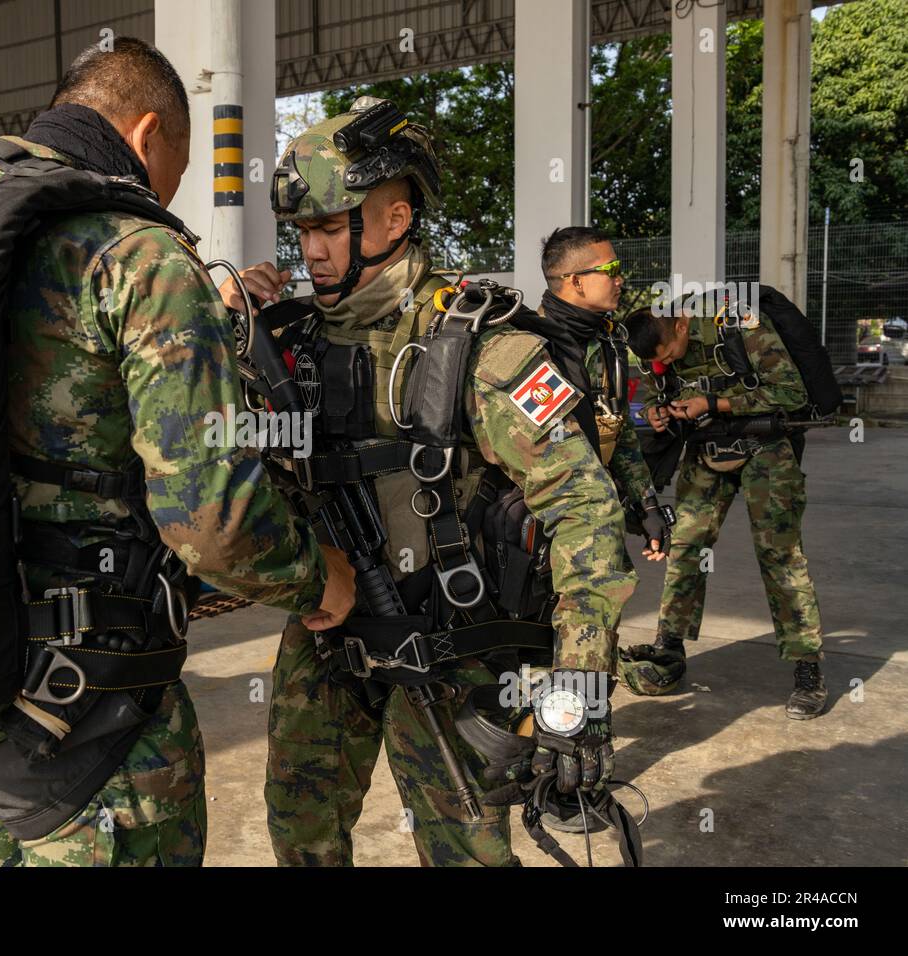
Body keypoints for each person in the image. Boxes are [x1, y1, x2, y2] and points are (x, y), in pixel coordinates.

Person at [0, 36, 353, 868]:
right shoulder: (136, 255)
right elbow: (212, 525)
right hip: (94, 722)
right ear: (148, 136)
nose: (165, 192)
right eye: (171, 170)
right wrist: (319, 578)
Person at [220, 99, 639, 866]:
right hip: (326, 630)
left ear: (393, 219)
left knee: (467, 852)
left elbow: (584, 509)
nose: (309, 249)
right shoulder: (286, 338)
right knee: (300, 834)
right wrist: (222, 336)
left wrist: (579, 688)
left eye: (326, 226)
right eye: (301, 231)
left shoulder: (480, 345)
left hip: (450, 642)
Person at [619, 300, 827, 718]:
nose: (664, 363)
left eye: (667, 353)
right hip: (706, 452)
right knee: (685, 550)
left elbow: (790, 391)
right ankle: (669, 648)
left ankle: (808, 668)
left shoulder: (739, 326)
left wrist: (713, 405)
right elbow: (664, 397)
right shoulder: (656, 349)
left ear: (681, 325)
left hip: (766, 452)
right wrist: (661, 413)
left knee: (780, 557)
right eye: (655, 361)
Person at [534, 226, 671, 564]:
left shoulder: (607, 343)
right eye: (610, 271)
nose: (620, 279)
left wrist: (647, 505)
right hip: (540, 525)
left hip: (597, 520)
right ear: (575, 280)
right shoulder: (529, 346)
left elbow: (619, 431)